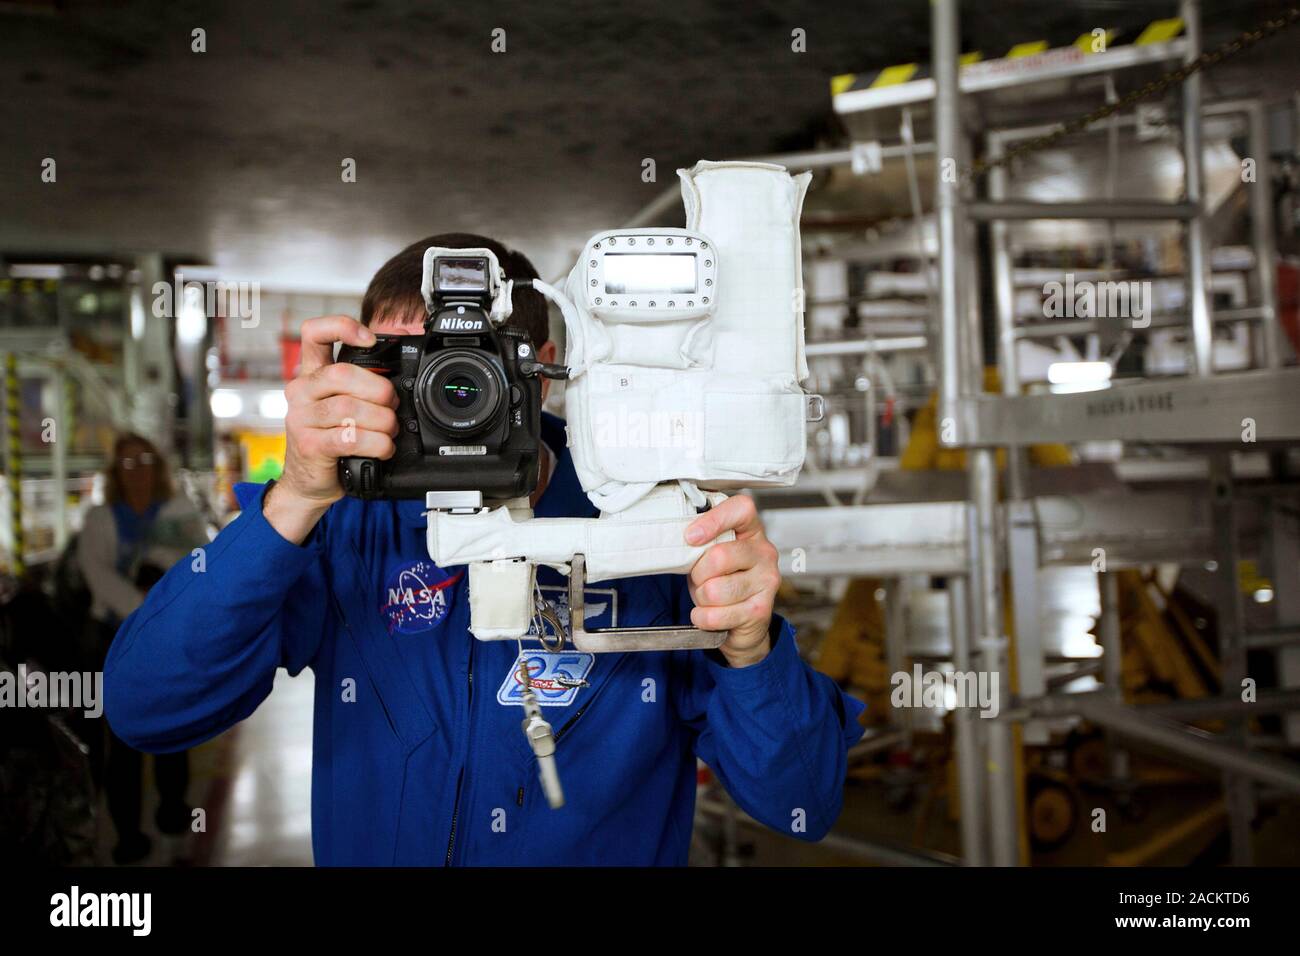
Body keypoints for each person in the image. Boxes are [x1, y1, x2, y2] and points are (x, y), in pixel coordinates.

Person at [104, 233, 866, 866]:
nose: (443, 401)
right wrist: (294, 499)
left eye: (468, 372)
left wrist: (753, 649)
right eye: (408, 374)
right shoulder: (347, 523)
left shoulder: (648, 522)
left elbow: (800, 802)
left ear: (541, 366)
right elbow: (146, 707)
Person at [79, 434, 207, 864]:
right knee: (122, 745)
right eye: (128, 463)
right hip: (113, 641)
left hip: (165, 643)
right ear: (116, 471)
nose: (138, 471)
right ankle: (129, 835)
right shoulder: (100, 519)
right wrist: (143, 610)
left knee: (172, 731)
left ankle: (173, 814)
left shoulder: (178, 512)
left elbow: (197, 560)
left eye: (145, 461)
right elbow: (99, 577)